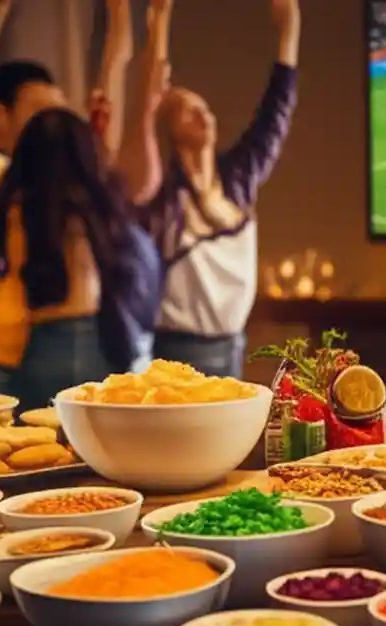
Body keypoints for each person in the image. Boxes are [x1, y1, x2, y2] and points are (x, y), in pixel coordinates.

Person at [0, 0, 162, 406]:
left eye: (61, 110)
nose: (55, 120)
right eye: (41, 110)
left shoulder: (74, 180)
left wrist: (126, 17)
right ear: (0, 117)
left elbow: (115, 69)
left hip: (67, 345)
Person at [138, 0, 300, 379]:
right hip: (175, 351)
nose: (203, 115)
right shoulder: (162, 193)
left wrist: (288, 34)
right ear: (166, 130)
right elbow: (144, 105)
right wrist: (158, 23)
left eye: (204, 108)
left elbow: (274, 115)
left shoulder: (237, 179)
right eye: (186, 110)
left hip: (232, 346)